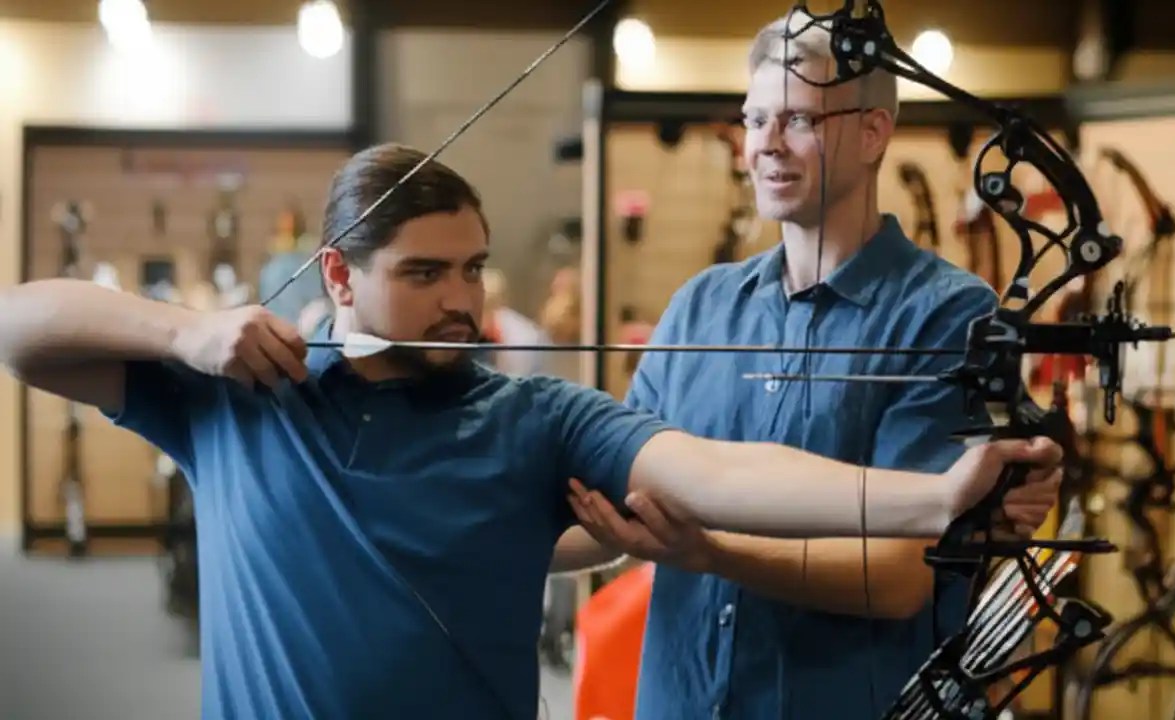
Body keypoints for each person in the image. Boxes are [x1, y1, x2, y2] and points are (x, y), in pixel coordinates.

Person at [0, 143, 1062, 720]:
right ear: (339, 276)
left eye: (471, 268)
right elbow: (21, 328)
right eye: (423, 274)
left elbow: (713, 470)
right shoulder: (238, 394)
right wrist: (187, 335)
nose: (460, 300)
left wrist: (934, 498)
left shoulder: (533, 414)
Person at [561, 15, 1062, 720]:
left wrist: (710, 550)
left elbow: (898, 577)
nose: (764, 143)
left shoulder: (950, 316)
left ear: (873, 132)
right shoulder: (701, 308)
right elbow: (610, 505)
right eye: (755, 117)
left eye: (797, 118)